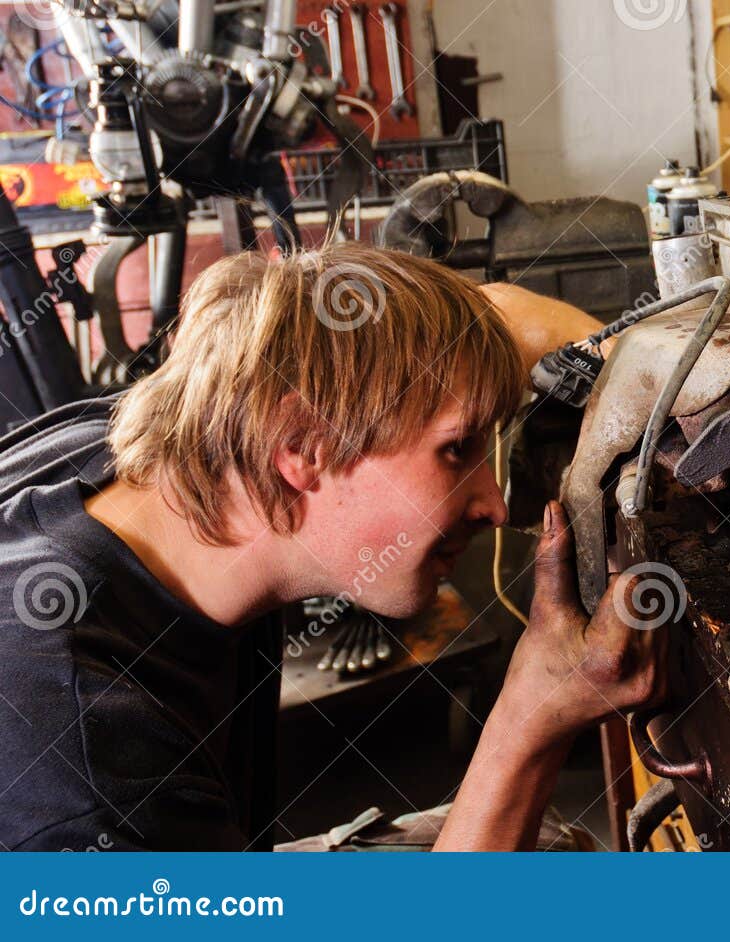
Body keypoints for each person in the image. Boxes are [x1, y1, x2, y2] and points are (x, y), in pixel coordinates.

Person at [0, 243, 662, 851]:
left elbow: (501, 311)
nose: (494, 505)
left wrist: (646, 368)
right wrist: (530, 722)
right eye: (456, 449)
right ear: (302, 448)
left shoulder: (139, 446)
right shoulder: (88, 778)